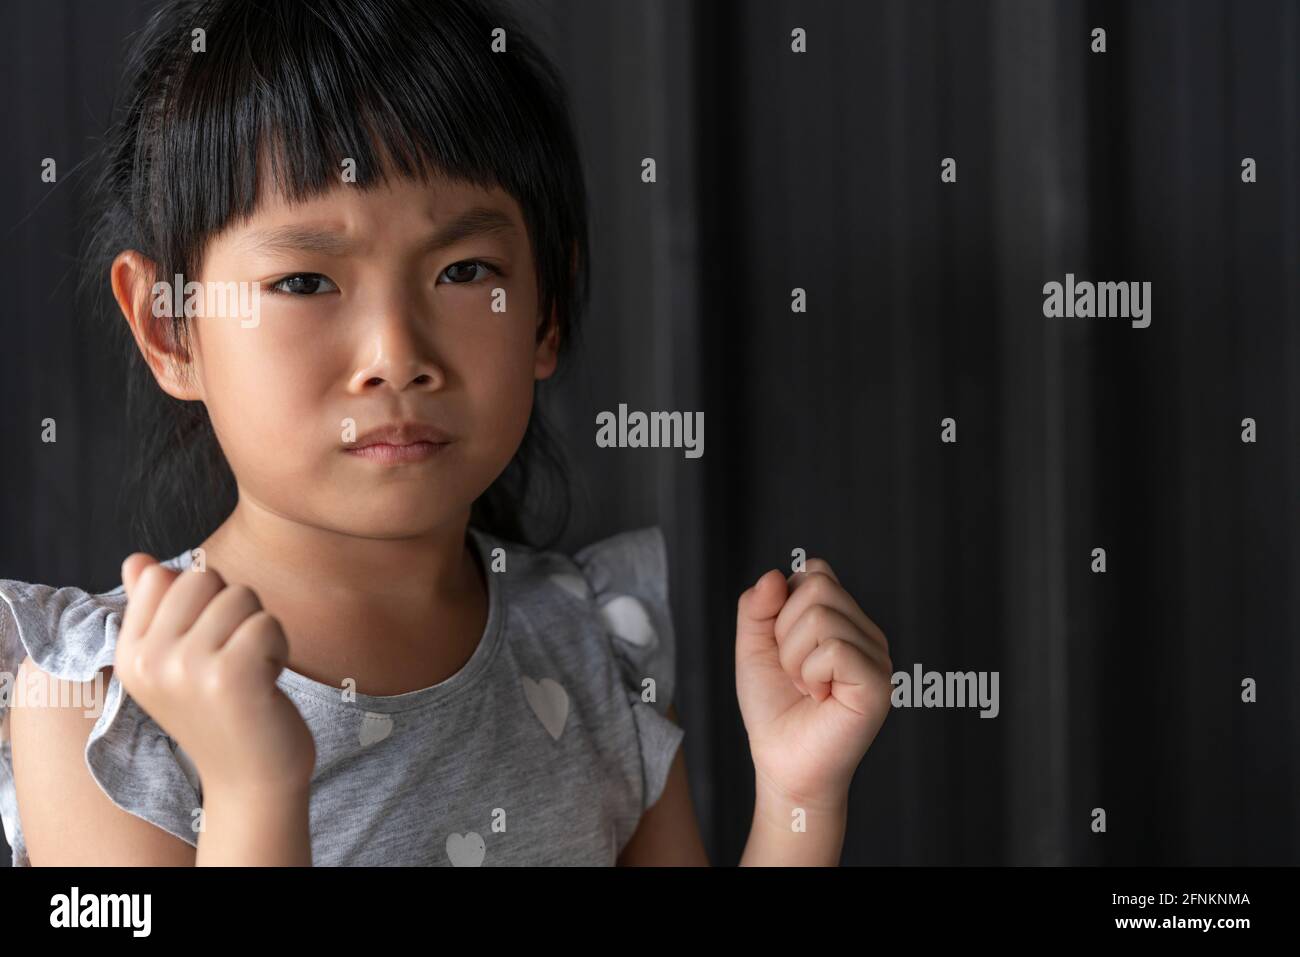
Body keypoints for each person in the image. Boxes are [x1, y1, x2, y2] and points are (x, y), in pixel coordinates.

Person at [0, 0, 892, 866]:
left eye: (465, 270)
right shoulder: (97, 708)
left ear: (544, 311)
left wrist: (797, 798)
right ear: (169, 326)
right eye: (307, 281)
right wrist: (252, 788)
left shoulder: (591, 644)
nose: (396, 355)